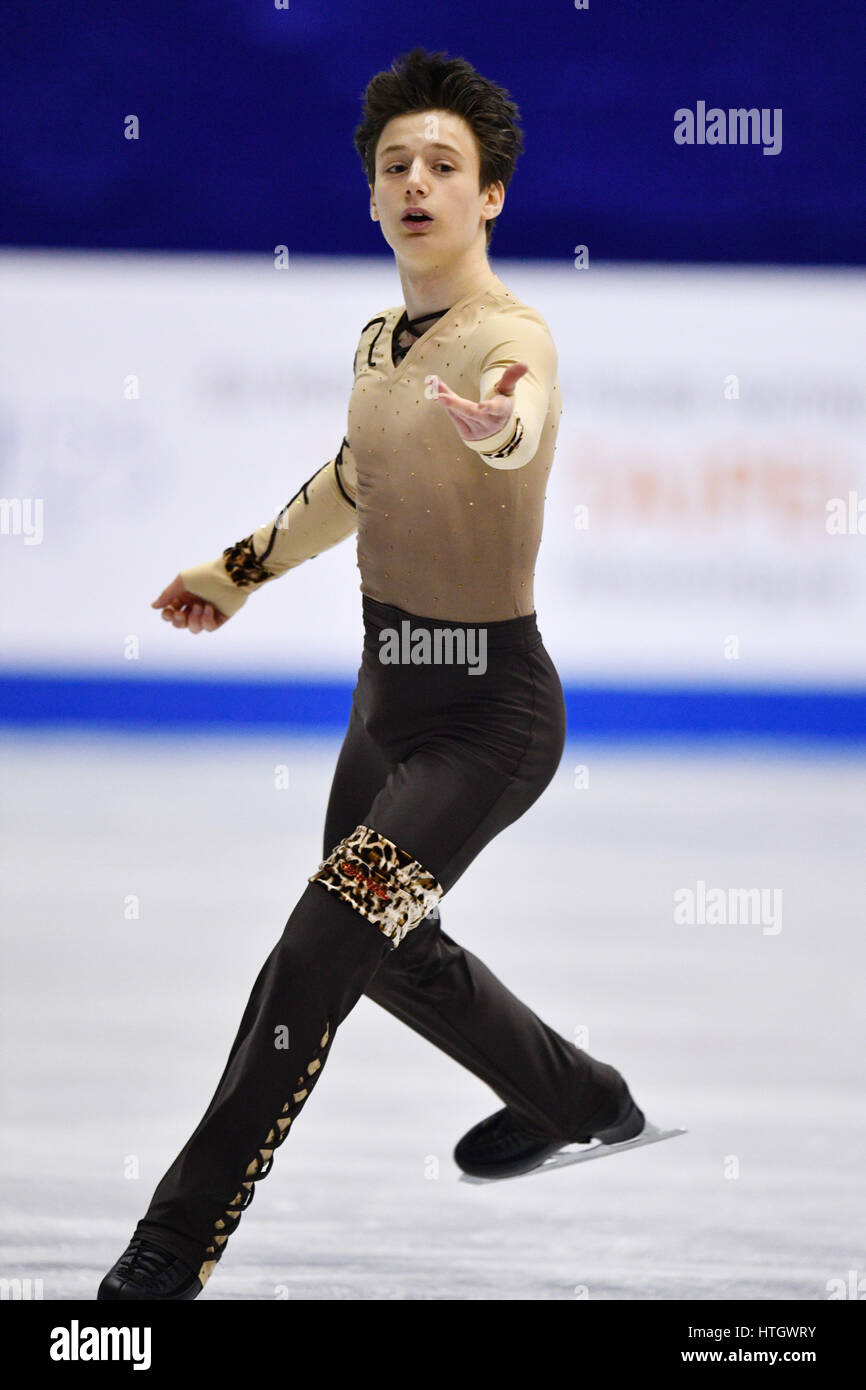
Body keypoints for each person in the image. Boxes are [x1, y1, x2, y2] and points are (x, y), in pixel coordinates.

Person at [98, 45, 644, 1302]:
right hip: (387, 697)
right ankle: (580, 1097)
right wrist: (240, 568)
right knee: (385, 947)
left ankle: (165, 1257)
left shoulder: (511, 337)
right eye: (394, 164)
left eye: (443, 166)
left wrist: (496, 426)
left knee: (312, 954)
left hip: (489, 715)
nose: (415, 182)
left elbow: (517, 412)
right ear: (369, 194)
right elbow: (357, 478)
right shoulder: (378, 340)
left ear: (489, 195)